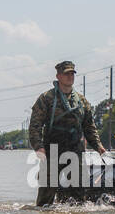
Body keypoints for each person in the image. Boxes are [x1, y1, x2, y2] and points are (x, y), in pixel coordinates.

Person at [29, 60, 106, 206]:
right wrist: (38, 147)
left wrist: (98, 146)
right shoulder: (46, 98)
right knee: (47, 191)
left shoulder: (81, 101)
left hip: (75, 149)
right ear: (58, 76)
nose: (70, 77)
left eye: (72, 74)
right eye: (66, 74)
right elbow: (35, 126)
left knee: (78, 191)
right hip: (52, 149)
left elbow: (89, 126)